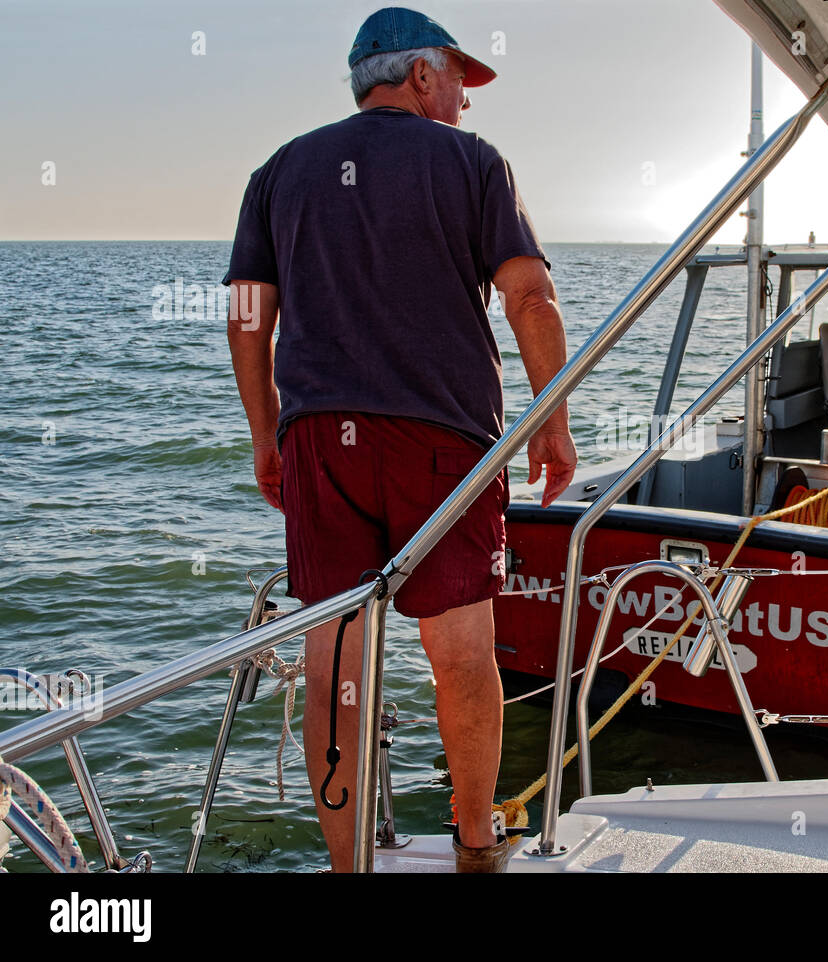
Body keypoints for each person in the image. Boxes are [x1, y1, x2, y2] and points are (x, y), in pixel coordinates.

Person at [222, 7, 576, 873]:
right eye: (460, 80)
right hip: (443, 440)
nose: (466, 100)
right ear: (421, 76)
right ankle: (476, 845)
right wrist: (554, 425)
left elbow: (245, 320)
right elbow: (530, 299)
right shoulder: (472, 163)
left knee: (334, 658)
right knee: (460, 654)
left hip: (320, 441)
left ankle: (348, 868)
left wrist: (268, 437)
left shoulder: (280, 171)